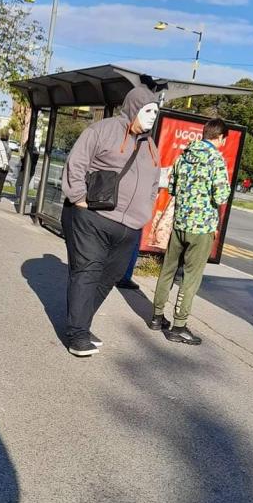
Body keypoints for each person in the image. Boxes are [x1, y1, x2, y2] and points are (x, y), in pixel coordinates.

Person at [61, 83, 161, 357]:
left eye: (155, 111)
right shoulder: (104, 130)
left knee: (111, 275)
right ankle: (77, 334)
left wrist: (145, 213)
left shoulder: (151, 147)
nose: (152, 116)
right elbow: (77, 162)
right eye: (147, 110)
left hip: (129, 227)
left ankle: (80, 322)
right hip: (93, 216)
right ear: (133, 108)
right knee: (88, 271)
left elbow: (154, 184)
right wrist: (79, 197)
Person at [151, 118, 231, 345]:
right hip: (202, 227)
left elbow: (173, 187)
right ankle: (178, 326)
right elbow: (222, 197)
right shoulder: (216, 160)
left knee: (167, 270)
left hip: (179, 224)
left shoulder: (184, 155)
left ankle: (157, 317)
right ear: (220, 137)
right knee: (190, 279)